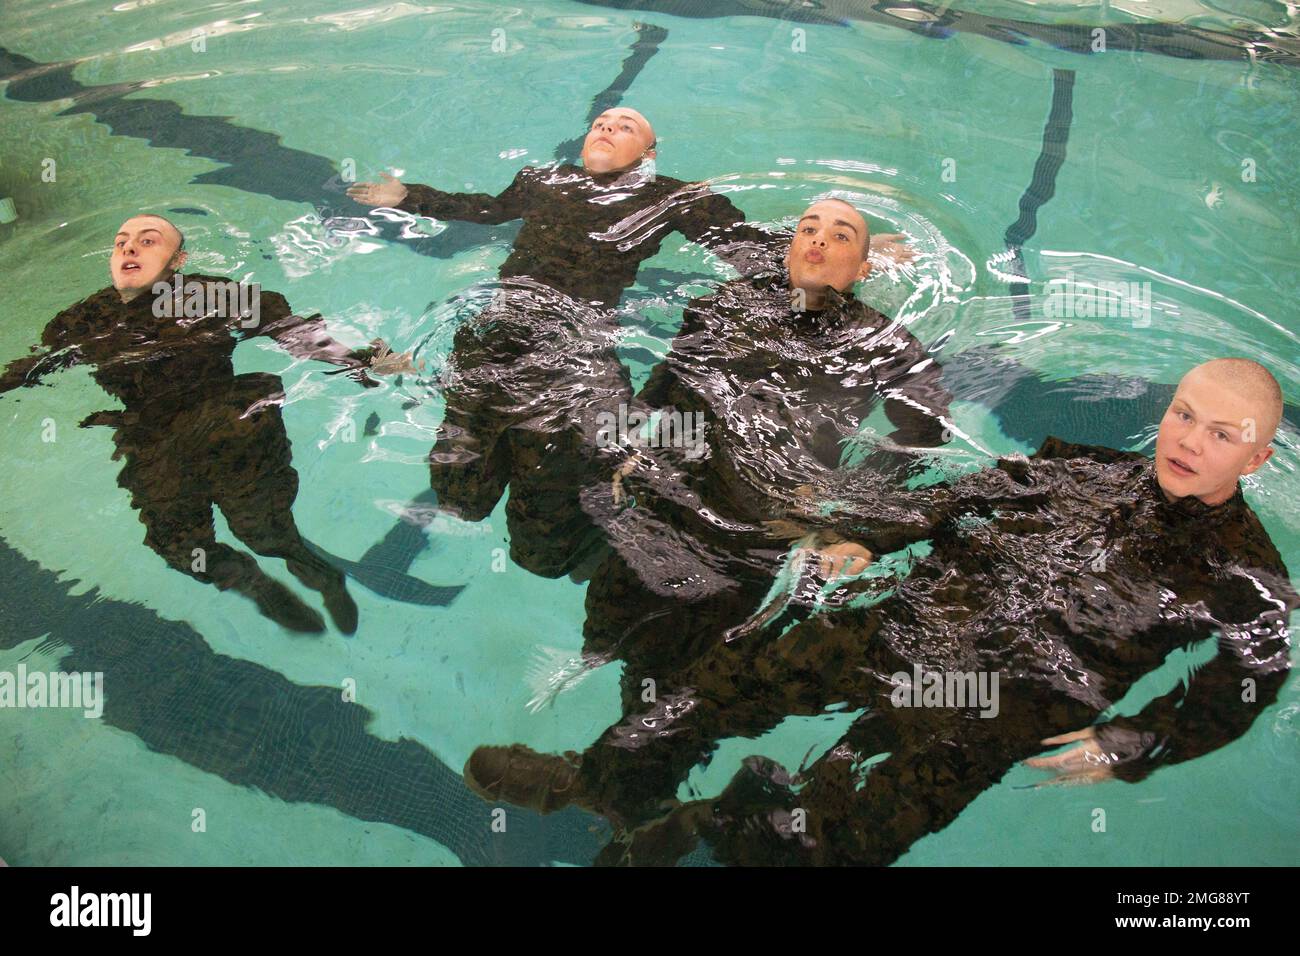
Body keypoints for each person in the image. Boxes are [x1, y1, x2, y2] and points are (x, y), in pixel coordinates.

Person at [466, 358, 1295, 866]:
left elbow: (1249, 680)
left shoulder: (1250, 575)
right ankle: (606, 785)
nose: (1189, 440)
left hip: (992, 707)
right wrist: (868, 536)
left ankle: (702, 828)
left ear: (1258, 456)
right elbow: (959, 495)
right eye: (1184, 414)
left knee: (839, 839)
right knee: (717, 682)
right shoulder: (1074, 469)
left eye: (1223, 434)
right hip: (903, 623)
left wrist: (1141, 740)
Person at [347, 109, 911, 577]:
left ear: (649, 153)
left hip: (575, 349)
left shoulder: (673, 197)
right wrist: (409, 196)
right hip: (493, 336)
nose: (608, 127)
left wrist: (847, 252)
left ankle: (593, 533)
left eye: (626, 125)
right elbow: (486, 211)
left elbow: (742, 245)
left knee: (540, 549)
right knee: (459, 499)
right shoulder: (542, 179)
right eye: (601, 121)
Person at [573, 197, 951, 685]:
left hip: (764, 522)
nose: (818, 239)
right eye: (808, 229)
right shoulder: (726, 303)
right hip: (671, 484)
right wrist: (637, 442)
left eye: (840, 236)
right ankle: (590, 662)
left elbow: (926, 432)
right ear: (789, 248)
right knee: (609, 612)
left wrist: (858, 523)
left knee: (686, 665)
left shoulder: (886, 345)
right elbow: (675, 373)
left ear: (862, 268)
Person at [0, 214, 395, 633]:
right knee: (180, 549)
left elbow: (290, 331)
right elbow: (33, 367)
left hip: (230, 424)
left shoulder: (211, 295)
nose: (129, 249)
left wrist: (361, 363)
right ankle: (253, 584)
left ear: (178, 260)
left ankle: (310, 565)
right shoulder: (81, 320)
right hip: (153, 440)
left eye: (147, 241)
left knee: (262, 531)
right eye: (121, 243)